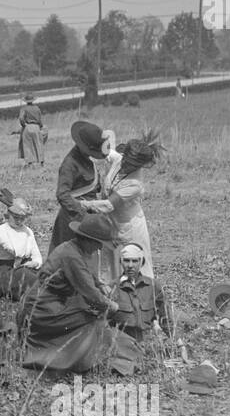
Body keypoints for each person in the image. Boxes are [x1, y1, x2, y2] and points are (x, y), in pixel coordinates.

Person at [17, 214, 132, 373]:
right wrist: (112, 306)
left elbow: (88, 275)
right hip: (43, 308)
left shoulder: (77, 249)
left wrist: (100, 285)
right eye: (99, 243)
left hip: (55, 302)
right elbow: (91, 294)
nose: (100, 248)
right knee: (93, 319)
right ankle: (74, 358)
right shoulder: (71, 255)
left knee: (92, 313)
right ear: (87, 239)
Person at [82, 129, 162, 284]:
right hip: (111, 223)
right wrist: (94, 141)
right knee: (110, 265)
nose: (124, 164)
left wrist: (83, 204)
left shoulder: (135, 184)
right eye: (125, 160)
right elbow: (106, 152)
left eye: (130, 164)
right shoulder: (120, 159)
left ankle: (144, 300)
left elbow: (108, 205)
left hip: (130, 227)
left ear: (139, 165)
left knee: (134, 264)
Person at [49, 120, 111, 251]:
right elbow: (62, 195)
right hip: (72, 218)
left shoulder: (88, 160)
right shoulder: (70, 164)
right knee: (69, 255)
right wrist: (82, 213)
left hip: (90, 215)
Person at [110, 243, 169, 341]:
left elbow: (166, 318)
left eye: (134, 261)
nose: (130, 265)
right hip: (122, 345)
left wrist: (180, 345)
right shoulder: (112, 287)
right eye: (126, 260)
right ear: (121, 262)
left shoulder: (153, 286)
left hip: (147, 343)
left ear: (141, 262)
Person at [0, 197, 43, 299]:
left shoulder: (28, 231)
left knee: (45, 273)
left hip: (27, 269)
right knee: (24, 273)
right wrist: (27, 253)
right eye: (16, 217)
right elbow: (16, 252)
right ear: (8, 215)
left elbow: (37, 256)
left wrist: (34, 263)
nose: (19, 221)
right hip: (7, 273)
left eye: (22, 218)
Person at [17, 94, 46, 166]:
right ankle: (41, 161)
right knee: (39, 144)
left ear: (26, 101)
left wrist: (24, 125)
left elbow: (21, 118)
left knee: (28, 145)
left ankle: (30, 163)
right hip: (36, 127)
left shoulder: (24, 108)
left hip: (28, 127)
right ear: (33, 100)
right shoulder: (37, 108)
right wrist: (40, 126)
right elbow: (39, 119)